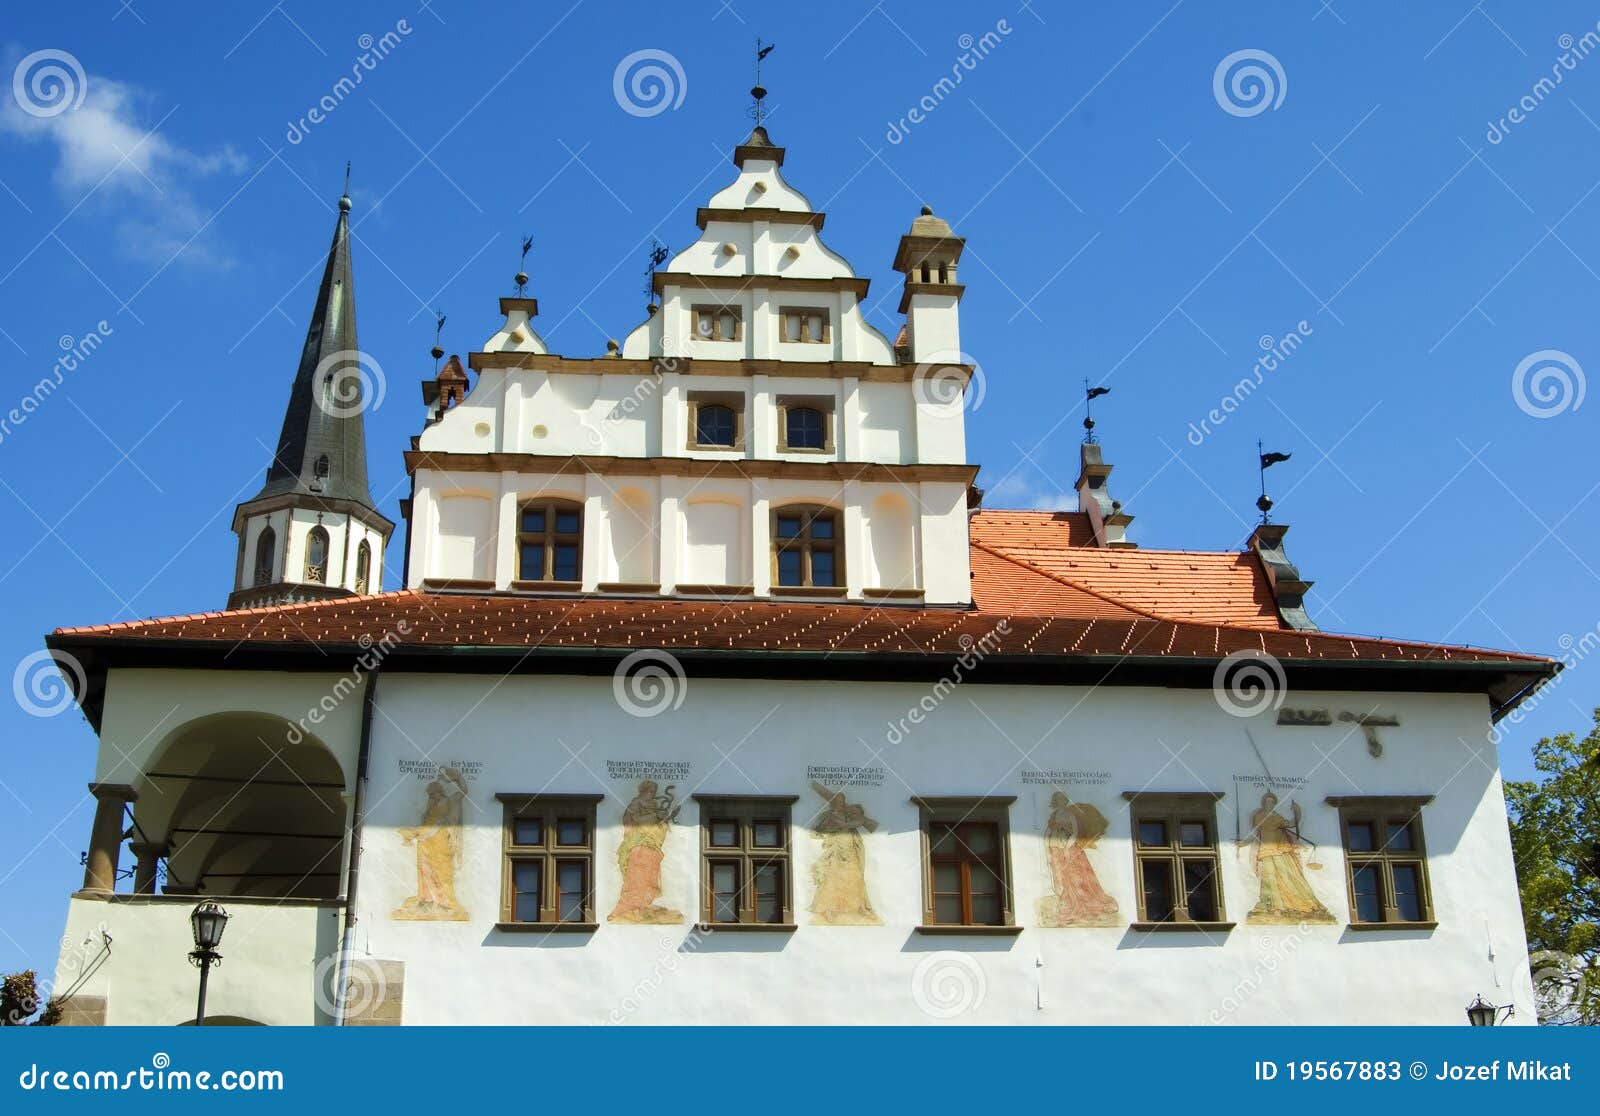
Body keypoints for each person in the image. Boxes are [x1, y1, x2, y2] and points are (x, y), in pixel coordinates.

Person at [393, 767, 469, 920]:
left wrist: (458, 777)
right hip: (426, 840)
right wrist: (416, 833)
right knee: (425, 869)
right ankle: (427, 898)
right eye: (430, 795)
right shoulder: (430, 806)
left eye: (433, 794)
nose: (432, 797)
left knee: (441, 869)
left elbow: (463, 791)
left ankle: (444, 901)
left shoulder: (449, 800)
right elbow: (426, 822)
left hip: (440, 838)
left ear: (440, 792)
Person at [1245, 792, 1333, 923]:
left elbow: (1291, 824)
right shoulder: (1260, 816)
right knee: (1269, 878)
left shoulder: (1278, 817)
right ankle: (1273, 906)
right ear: (1263, 803)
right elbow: (1255, 832)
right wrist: (1243, 842)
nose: (1269, 804)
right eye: (1267, 802)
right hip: (1267, 850)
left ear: (1274, 804)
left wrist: (1298, 812)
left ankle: (1289, 905)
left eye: (1272, 802)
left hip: (1280, 850)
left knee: (1287, 876)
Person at [608, 780, 682, 923]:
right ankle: (625, 907)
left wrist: (663, 818)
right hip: (638, 843)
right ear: (644, 791)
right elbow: (634, 819)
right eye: (650, 792)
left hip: (652, 845)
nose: (652, 795)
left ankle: (644, 904)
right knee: (636, 875)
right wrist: (655, 816)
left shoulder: (653, 805)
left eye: (653, 793)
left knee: (650, 874)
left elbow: (658, 823)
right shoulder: (636, 803)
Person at [1040, 792, 1119, 926]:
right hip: (1055, 848)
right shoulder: (1053, 816)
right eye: (1057, 800)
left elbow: (1075, 834)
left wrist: (1066, 849)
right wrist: (1047, 850)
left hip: (1070, 849)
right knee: (1060, 875)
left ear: (1064, 802)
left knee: (1075, 876)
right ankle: (1066, 900)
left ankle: (1075, 903)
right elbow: (1047, 833)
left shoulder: (1070, 816)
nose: (1060, 803)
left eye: (1062, 800)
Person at [808, 782, 881, 925]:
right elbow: (825, 828)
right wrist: (852, 823)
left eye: (843, 802)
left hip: (851, 849)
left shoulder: (848, 815)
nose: (841, 804)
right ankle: (827, 909)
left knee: (856, 877)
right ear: (834, 803)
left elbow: (858, 823)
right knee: (833, 878)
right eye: (838, 802)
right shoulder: (830, 816)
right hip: (837, 850)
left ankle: (861, 907)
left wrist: (855, 820)